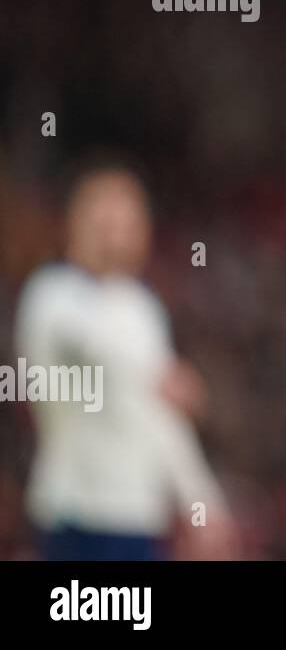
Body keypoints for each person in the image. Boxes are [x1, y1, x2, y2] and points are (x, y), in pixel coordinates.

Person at [14, 162, 233, 559]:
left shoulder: (142, 309)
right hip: (74, 514)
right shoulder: (50, 296)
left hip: (138, 517)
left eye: (127, 220)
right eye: (104, 219)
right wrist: (159, 378)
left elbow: (162, 418)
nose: (116, 233)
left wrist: (203, 503)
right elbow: (90, 346)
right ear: (75, 224)